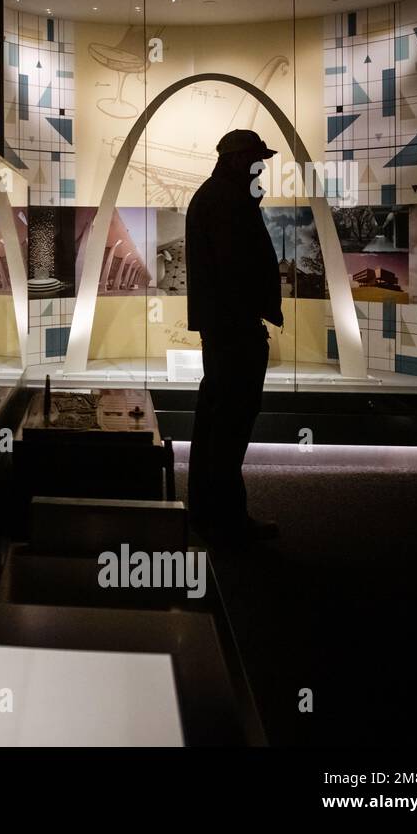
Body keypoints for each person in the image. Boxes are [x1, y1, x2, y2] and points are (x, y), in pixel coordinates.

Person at [185, 129, 283, 544]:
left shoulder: (217, 196)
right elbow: (235, 272)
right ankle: (227, 522)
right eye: (256, 159)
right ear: (237, 159)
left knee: (217, 422)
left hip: (224, 330)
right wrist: (249, 323)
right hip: (234, 331)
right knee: (230, 425)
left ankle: (208, 514)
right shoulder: (227, 201)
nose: (262, 167)